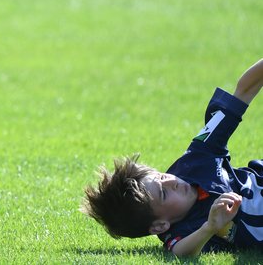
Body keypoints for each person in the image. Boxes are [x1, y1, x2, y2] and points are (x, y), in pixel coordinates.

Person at [83, 58, 263, 257]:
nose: (172, 181)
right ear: (160, 225)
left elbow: (243, 91)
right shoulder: (182, 232)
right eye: (164, 193)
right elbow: (180, 252)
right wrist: (209, 227)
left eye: (161, 177)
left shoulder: (197, 156)